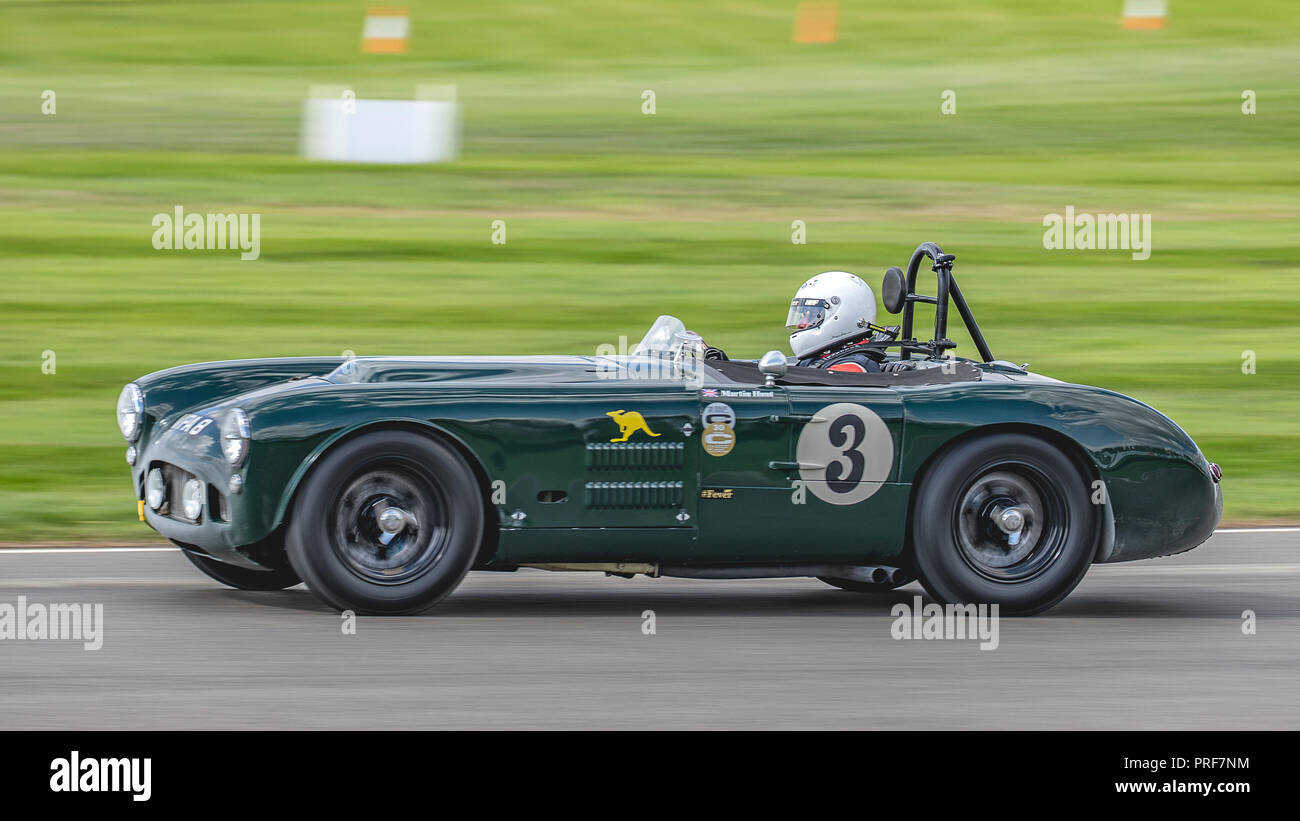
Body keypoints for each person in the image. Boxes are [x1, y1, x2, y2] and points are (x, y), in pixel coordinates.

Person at [786, 271, 906, 373]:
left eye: (811, 315)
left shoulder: (853, 366)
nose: (800, 324)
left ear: (842, 314)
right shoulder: (817, 358)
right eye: (802, 314)